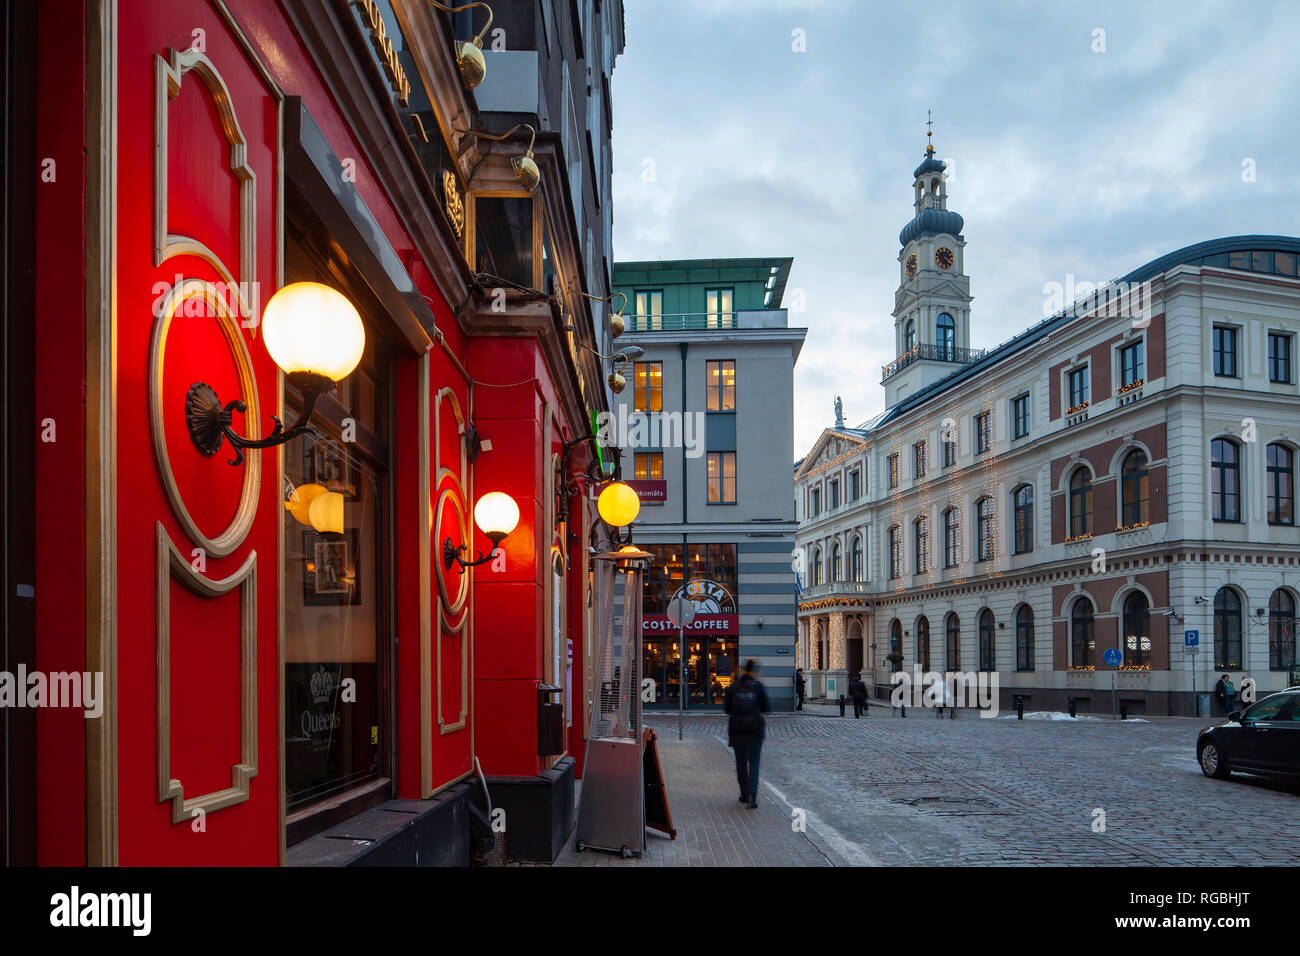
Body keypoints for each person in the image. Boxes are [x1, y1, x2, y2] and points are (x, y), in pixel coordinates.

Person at [724, 660, 770, 809]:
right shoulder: (758, 687)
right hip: (755, 730)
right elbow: (766, 708)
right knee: (754, 763)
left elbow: (727, 710)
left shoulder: (734, 687)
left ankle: (744, 794)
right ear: (755, 671)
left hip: (738, 730)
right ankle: (753, 798)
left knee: (741, 763)